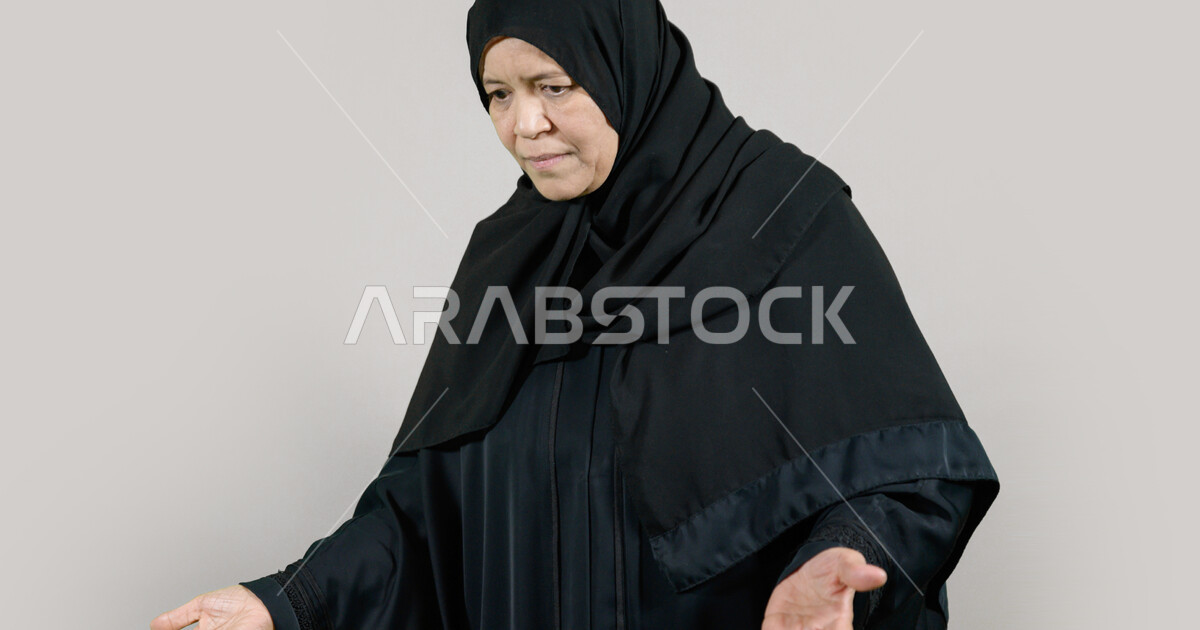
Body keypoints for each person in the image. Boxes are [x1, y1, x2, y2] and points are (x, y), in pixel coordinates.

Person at [150, 1, 999, 629]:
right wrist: (281, 605)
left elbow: (912, 468)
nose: (525, 125)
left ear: (626, 68)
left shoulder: (786, 218)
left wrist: (830, 572)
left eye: (554, 85)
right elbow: (420, 523)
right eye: (497, 94)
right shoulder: (509, 260)